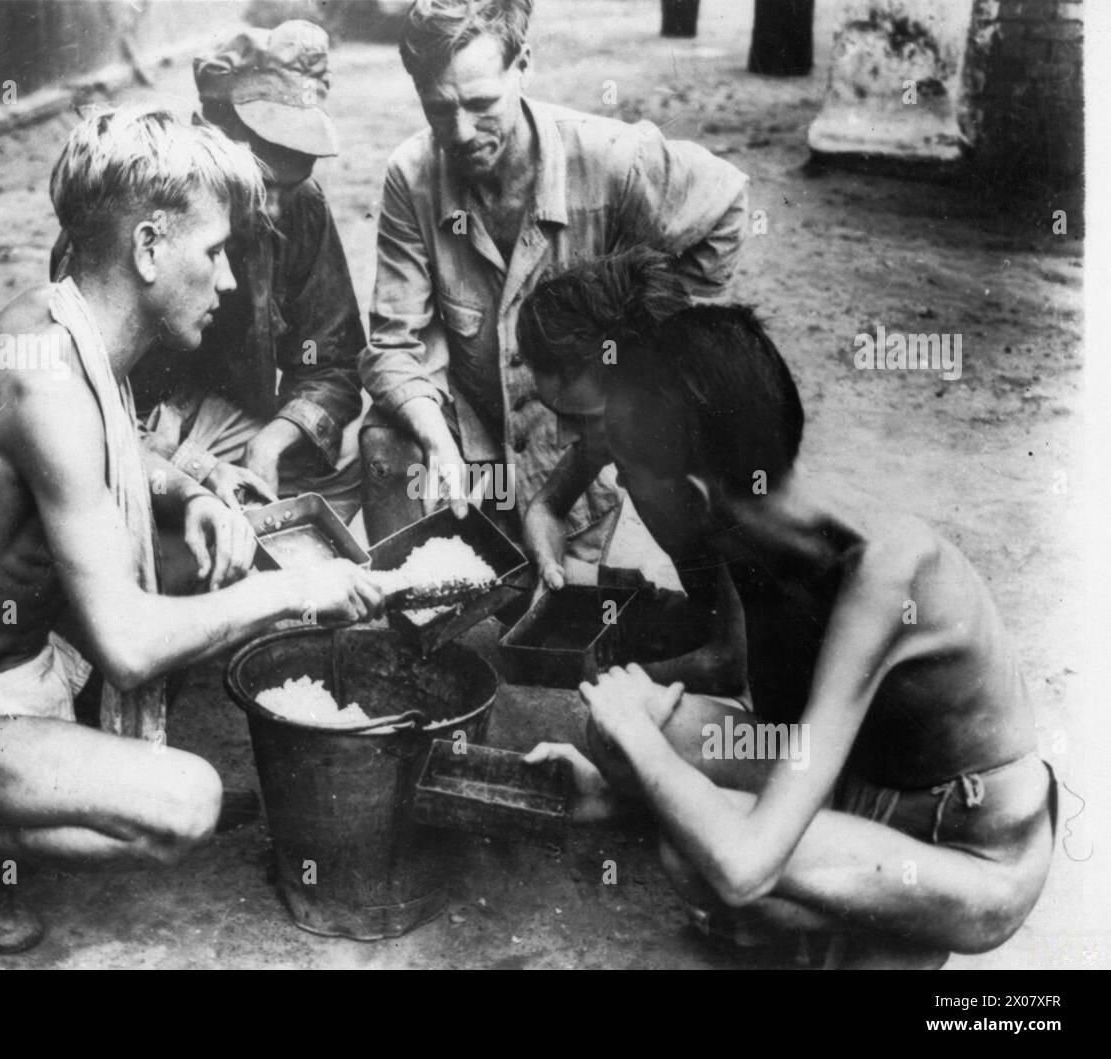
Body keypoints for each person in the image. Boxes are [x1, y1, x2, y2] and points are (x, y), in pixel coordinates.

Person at [0, 108, 384, 955]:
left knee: (198, 561)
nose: (231, 282)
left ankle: (18, 784)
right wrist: (295, 591)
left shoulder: (58, 322)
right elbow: (131, 647)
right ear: (146, 248)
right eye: (213, 252)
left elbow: (109, 451)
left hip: (8, 665)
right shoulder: (46, 384)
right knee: (184, 806)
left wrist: (189, 489)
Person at [519, 265, 1056, 967]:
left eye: (624, 464)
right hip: (865, 780)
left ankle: (880, 926)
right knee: (653, 768)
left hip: (971, 851)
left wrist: (645, 753)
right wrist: (617, 782)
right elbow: (796, 738)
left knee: (710, 853)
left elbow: (743, 863)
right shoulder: (759, 523)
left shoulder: (887, 570)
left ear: (691, 490)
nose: (615, 477)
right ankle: (852, 912)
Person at [357, 0, 748, 582]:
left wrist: (644, 335)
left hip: (574, 448)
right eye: (439, 110)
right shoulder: (411, 175)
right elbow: (393, 346)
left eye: (482, 105)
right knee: (387, 440)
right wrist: (436, 439)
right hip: (475, 444)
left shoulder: (615, 159)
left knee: (559, 606)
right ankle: (410, 622)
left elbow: (728, 203)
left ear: (525, 66)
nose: (461, 134)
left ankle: (709, 622)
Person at [55, 21, 366, 532]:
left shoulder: (298, 206)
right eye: (264, 177)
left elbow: (332, 361)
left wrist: (276, 437)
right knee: (122, 511)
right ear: (213, 129)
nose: (275, 204)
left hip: (230, 419)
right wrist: (197, 470)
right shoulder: (138, 204)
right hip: (138, 425)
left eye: (295, 175)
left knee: (352, 445)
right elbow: (85, 412)